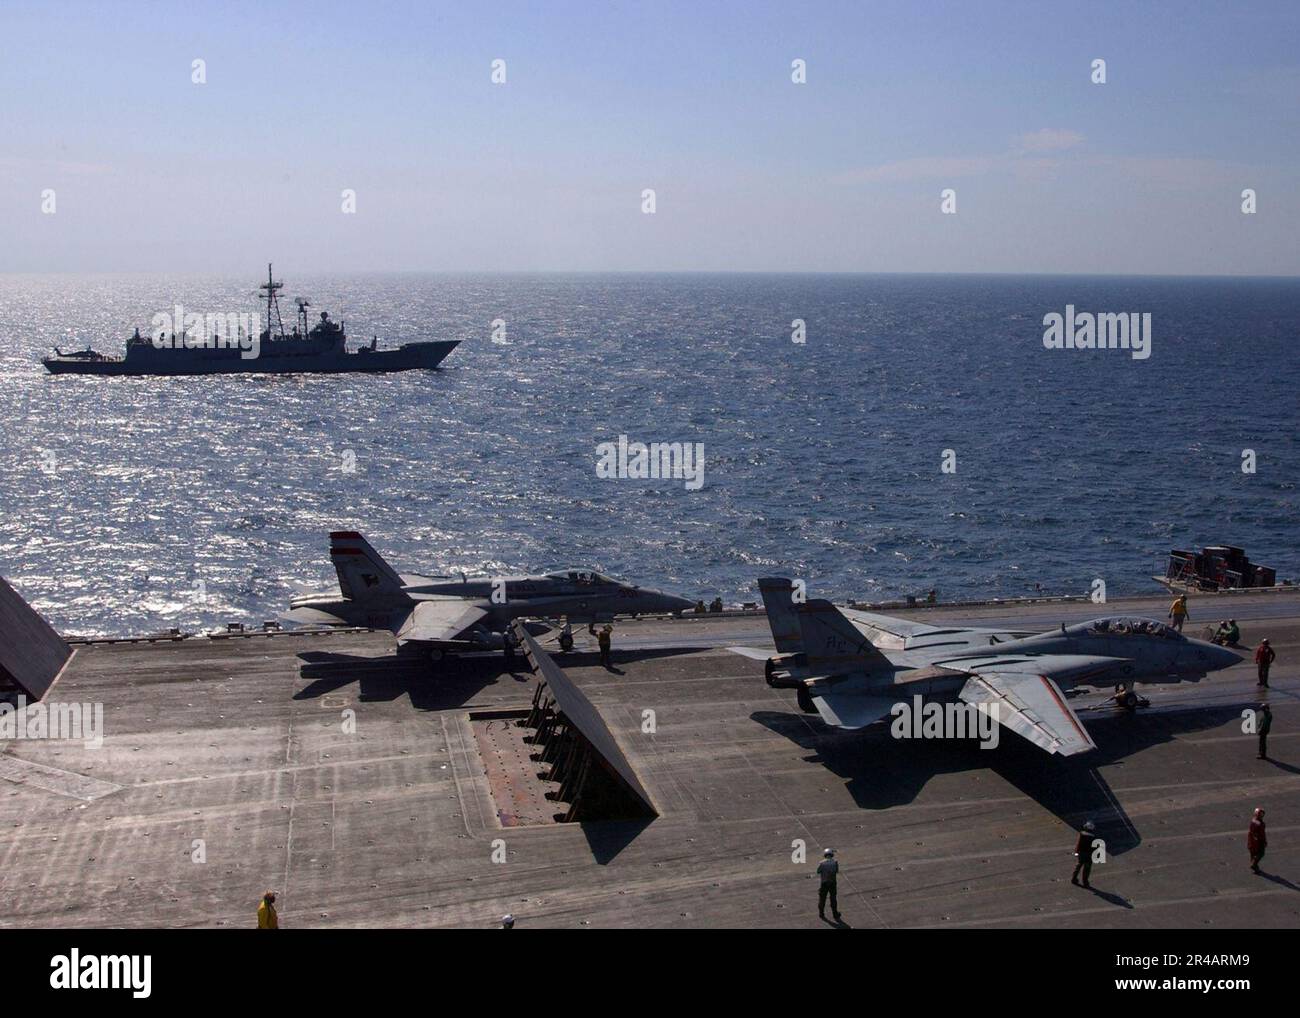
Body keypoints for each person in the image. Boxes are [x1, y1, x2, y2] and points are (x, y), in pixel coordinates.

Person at [816, 848, 841, 921]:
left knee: (822, 899)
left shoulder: (822, 863)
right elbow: (836, 871)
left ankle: (821, 913)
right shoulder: (835, 862)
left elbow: (818, 871)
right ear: (832, 854)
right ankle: (835, 914)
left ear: (825, 855)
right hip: (833, 883)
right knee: (833, 899)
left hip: (824, 883)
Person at [1071, 821, 1097, 888]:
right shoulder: (1093, 836)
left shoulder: (1082, 834)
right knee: (1087, 869)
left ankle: (1074, 878)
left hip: (1081, 853)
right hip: (1089, 855)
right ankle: (1085, 883)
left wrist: (1076, 852)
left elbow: (1078, 844)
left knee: (1078, 865)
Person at [1248, 808, 1267, 874]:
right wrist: (1264, 841)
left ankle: (1255, 866)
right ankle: (1254, 864)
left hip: (1251, 839)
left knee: (1252, 852)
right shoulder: (1261, 824)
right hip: (1259, 841)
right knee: (1261, 853)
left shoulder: (1253, 820)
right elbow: (1262, 834)